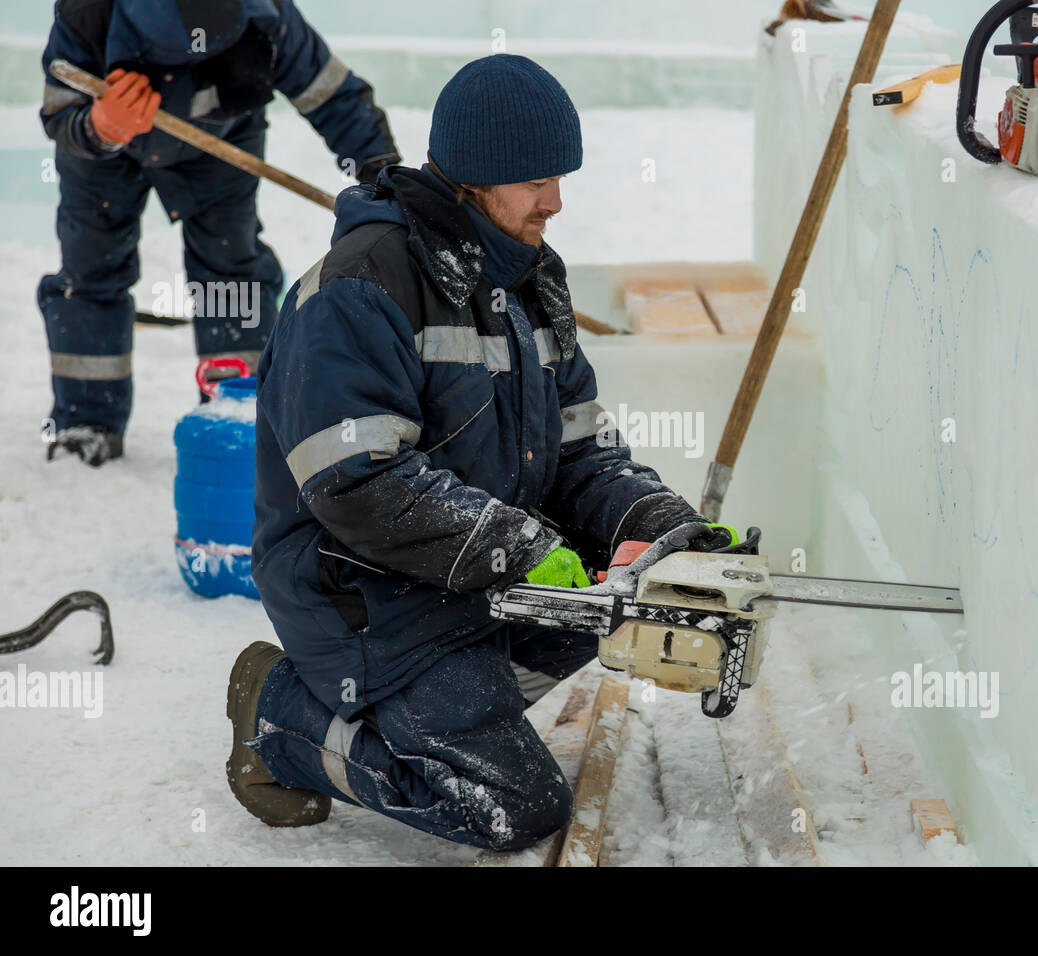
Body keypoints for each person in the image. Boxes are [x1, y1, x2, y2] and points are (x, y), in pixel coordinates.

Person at [226, 53, 738, 848]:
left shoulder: (531, 279)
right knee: (512, 806)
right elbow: (361, 486)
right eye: (535, 181)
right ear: (475, 177)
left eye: (559, 179)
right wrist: (521, 548)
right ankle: (284, 718)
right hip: (361, 592)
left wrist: (662, 530)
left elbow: (582, 450)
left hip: (464, 571)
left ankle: (456, 707)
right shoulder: (359, 290)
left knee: (609, 599)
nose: (556, 202)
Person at [38, 0, 401, 465]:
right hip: (105, 154)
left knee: (231, 271)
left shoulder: (270, 17)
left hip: (221, 140)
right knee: (90, 270)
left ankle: (242, 406)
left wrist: (380, 171)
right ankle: (86, 422)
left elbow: (333, 97)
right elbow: (59, 109)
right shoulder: (88, 14)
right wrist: (98, 127)